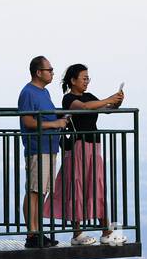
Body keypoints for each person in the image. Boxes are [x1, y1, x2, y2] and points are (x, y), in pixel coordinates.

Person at [47, 63, 126, 246]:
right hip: (77, 147)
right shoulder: (69, 99)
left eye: (88, 78)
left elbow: (104, 109)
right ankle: (77, 233)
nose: (86, 82)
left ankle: (106, 231)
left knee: (96, 186)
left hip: (94, 146)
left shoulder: (90, 96)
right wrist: (109, 98)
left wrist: (116, 101)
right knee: (77, 185)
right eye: (84, 78)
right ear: (73, 80)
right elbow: (84, 107)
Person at [19, 56, 69, 248]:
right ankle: (32, 234)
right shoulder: (28, 93)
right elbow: (28, 121)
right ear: (38, 72)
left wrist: (60, 118)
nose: (52, 73)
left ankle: (38, 230)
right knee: (34, 190)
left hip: (49, 146)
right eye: (49, 70)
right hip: (37, 148)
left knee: (42, 190)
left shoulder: (44, 93)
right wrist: (55, 123)